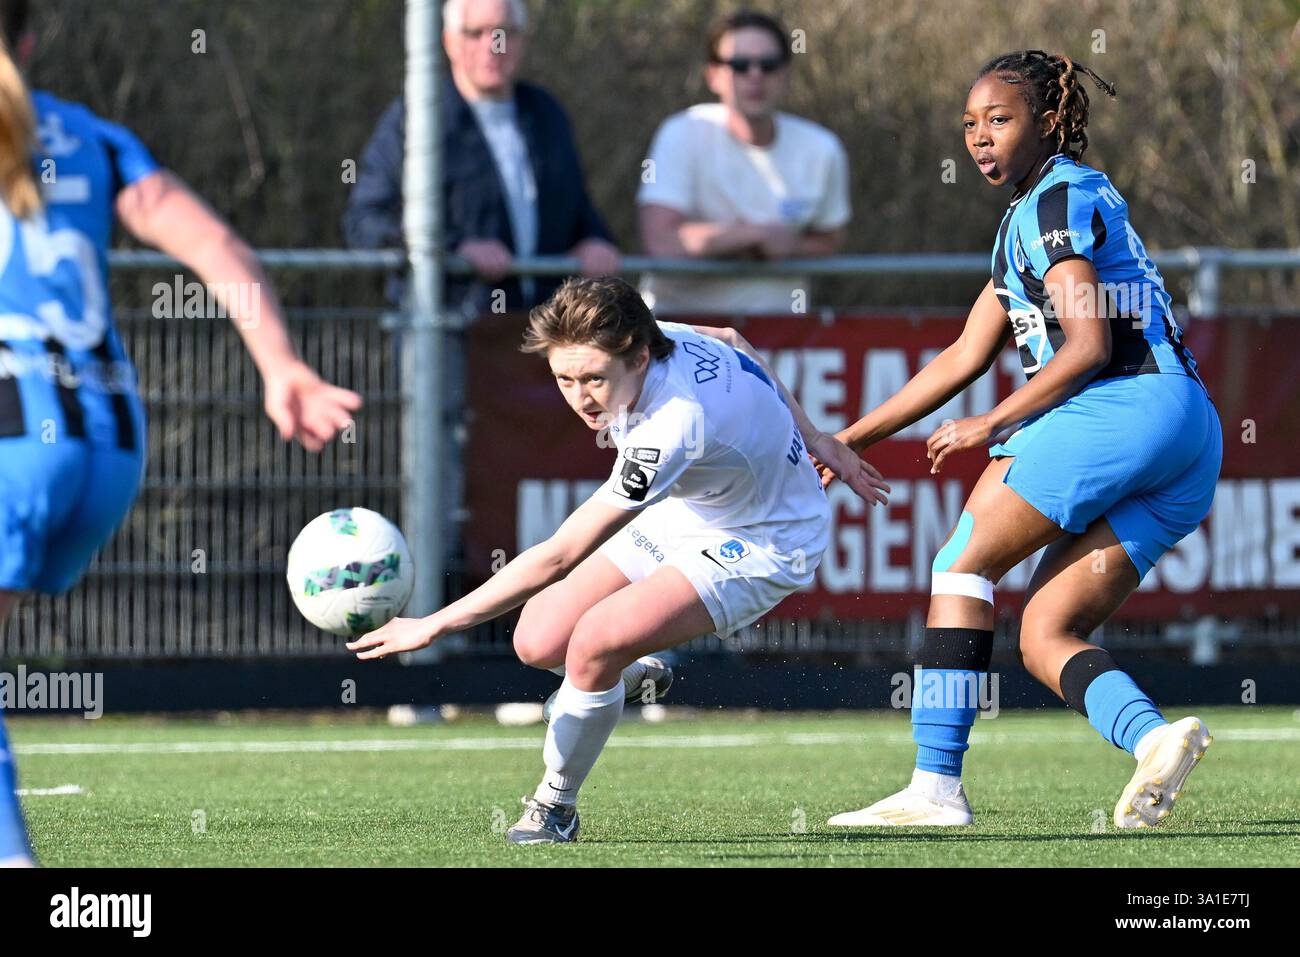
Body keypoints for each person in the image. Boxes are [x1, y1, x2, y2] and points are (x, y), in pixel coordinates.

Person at [0, 0, 361, 866]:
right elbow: (218, 247)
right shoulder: (91, 134)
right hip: (108, 438)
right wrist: (282, 366)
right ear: (32, 38)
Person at [823, 51, 1220, 830]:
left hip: (1122, 407)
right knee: (1045, 632)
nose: (979, 137)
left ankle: (935, 787)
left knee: (960, 564)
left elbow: (1087, 346)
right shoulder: (1038, 210)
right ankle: (1155, 737)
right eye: (968, 124)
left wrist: (993, 421)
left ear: (1047, 122)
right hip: (1188, 434)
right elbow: (964, 356)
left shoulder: (1050, 206)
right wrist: (848, 436)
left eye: (999, 119)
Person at [348, 276, 888, 843]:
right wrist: (816, 435)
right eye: (564, 378)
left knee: (594, 640)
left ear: (639, 355)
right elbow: (732, 339)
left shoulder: (673, 425)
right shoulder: (663, 336)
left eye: (594, 378)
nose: (581, 397)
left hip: (768, 538)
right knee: (537, 640)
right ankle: (623, 677)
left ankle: (554, 806)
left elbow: (559, 556)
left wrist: (434, 623)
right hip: (695, 508)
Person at [342, 0, 619, 312]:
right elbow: (367, 221)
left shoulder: (546, 114)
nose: (493, 45)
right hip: (449, 331)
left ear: (523, 39)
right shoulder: (417, 119)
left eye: (504, 32)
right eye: (476, 33)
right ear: (450, 42)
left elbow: (577, 206)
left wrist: (595, 240)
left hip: (546, 330)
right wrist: (454, 248)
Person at [637, 9, 850, 315]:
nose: (755, 75)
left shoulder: (822, 148)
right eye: (739, 65)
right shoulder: (681, 133)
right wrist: (752, 236)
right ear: (713, 75)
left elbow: (829, 242)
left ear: (787, 73)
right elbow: (661, 242)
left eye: (769, 64)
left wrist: (792, 247)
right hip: (680, 334)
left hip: (781, 338)